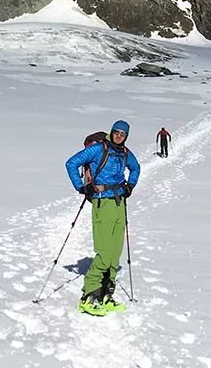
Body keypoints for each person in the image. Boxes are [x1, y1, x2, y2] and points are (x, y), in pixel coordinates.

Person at [64, 119, 140, 316]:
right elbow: (71, 163)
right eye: (116, 132)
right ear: (111, 131)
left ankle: (106, 294)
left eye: (122, 134)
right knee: (105, 252)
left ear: (126, 137)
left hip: (119, 203)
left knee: (115, 253)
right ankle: (88, 296)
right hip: (102, 202)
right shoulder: (98, 149)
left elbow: (136, 167)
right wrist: (81, 187)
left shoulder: (124, 152)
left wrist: (130, 185)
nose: (118, 136)